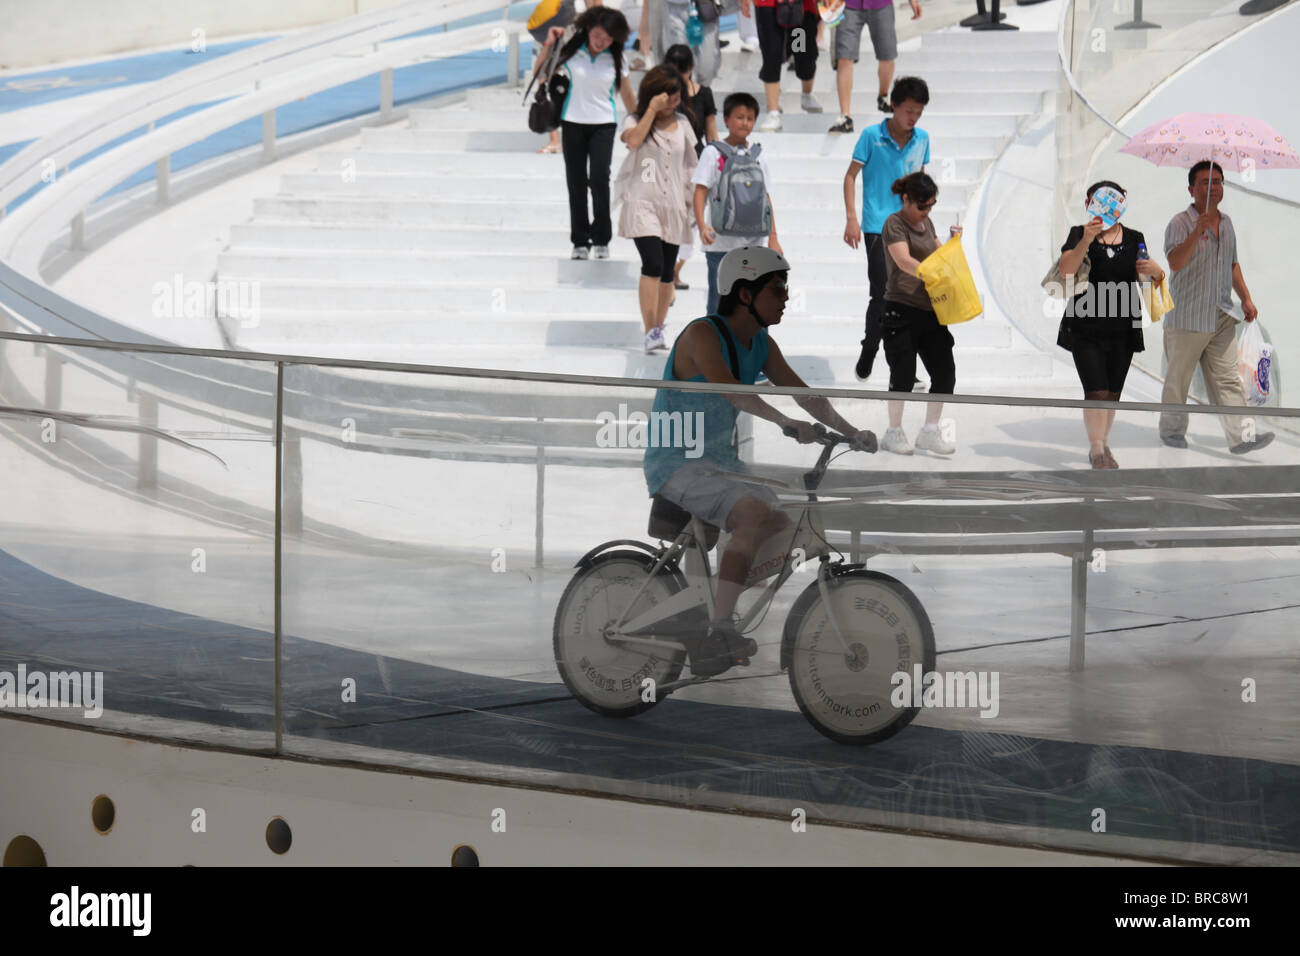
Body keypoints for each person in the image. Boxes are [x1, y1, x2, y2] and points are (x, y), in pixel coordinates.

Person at [643, 246, 877, 676]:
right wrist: (785, 422)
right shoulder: (702, 335)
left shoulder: (762, 343)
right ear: (745, 293)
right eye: (777, 288)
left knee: (779, 519)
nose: (786, 296)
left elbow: (806, 394)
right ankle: (717, 627)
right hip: (677, 463)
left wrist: (851, 433)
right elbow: (731, 390)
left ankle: (715, 599)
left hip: (719, 465)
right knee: (752, 513)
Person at [1160, 160, 1274, 454]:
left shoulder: (1226, 223)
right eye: (1206, 182)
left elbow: (1232, 264)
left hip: (1222, 315)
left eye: (1219, 182)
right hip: (1187, 317)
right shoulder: (1179, 223)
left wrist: (1246, 298)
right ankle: (1172, 433)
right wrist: (1196, 232)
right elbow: (1175, 262)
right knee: (1178, 382)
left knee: (1228, 380)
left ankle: (1242, 438)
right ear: (1191, 189)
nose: (1214, 188)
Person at [1055, 181, 1163, 469]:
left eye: (1110, 201)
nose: (1103, 206)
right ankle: (1096, 448)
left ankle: (1104, 441)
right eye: (1096, 200)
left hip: (1123, 326)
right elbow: (1065, 271)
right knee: (1096, 389)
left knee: (1113, 392)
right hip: (1085, 325)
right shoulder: (1079, 234)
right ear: (1089, 203)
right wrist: (1086, 240)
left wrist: (1157, 272)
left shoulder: (1135, 237)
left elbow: (1147, 276)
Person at [842, 76, 930, 381]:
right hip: (877, 226)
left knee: (910, 297)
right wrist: (851, 218)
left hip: (910, 227)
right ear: (893, 106)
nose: (913, 118)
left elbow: (921, 184)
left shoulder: (923, 139)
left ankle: (903, 366)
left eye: (918, 112)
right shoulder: (870, 135)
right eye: (908, 111)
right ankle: (870, 349)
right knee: (881, 293)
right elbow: (850, 176)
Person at [613, 65, 700, 352]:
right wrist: (650, 110)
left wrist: (695, 207)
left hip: (674, 205)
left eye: (677, 97)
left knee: (665, 271)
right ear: (655, 93)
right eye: (670, 97)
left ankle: (658, 327)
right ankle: (649, 329)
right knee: (651, 263)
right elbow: (634, 141)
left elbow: (691, 166)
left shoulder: (684, 124)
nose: (675, 103)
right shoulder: (635, 119)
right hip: (642, 202)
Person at [542, 7, 636, 260]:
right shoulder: (571, 51)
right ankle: (580, 241)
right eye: (597, 35)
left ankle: (602, 237)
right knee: (576, 182)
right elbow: (542, 73)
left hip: (603, 124)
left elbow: (626, 94)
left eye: (607, 39)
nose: (601, 42)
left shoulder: (617, 58)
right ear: (588, 30)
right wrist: (549, 43)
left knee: (598, 179)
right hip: (572, 122)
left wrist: (638, 122)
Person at [877, 172, 958, 455]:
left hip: (930, 309)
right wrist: (930, 273)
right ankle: (893, 431)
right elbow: (903, 260)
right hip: (902, 307)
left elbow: (939, 256)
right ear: (906, 199)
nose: (926, 211)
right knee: (903, 375)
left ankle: (930, 431)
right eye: (921, 206)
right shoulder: (894, 223)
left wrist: (952, 242)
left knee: (945, 372)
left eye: (931, 205)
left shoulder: (927, 222)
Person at [692, 92, 781, 316]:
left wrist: (773, 237)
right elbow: (700, 190)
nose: (745, 123)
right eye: (740, 117)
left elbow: (766, 197)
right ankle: (715, 348)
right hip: (719, 244)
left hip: (753, 242)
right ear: (727, 120)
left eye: (750, 118)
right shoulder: (712, 153)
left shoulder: (759, 155)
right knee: (719, 302)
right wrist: (702, 225)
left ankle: (755, 349)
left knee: (755, 304)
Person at [662, 43, 718, 292]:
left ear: (691, 67)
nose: (677, 73)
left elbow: (712, 133)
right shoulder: (662, 96)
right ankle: (666, 273)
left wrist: (719, 165)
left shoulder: (704, 94)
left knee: (692, 223)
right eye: (672, 68)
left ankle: (673, 272)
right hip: (667, 164)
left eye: (681, 68)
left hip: (697, 166)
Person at [828, 0, 921, 134]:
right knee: (844, 57)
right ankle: (845, 116)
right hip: (844, 5)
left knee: (887, 56)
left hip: (881, 4)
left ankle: (883, 96)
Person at [528, 0, 603, 154]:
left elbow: (595, 6)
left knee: (549, 75)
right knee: (544, 74)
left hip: (560, 22)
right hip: (552, 20)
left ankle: (566, 136)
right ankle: (556, 137)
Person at [740, 0, 823, 132]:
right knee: (772, 54)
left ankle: (806, 94)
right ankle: (773, 112)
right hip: (768, 5)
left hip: (801, 6)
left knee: (803, 54)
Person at [662, 1, 721, 86]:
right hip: (675, 8)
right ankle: (686, 93)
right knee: (680, 61)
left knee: (708, 65)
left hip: (705, 8)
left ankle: (700, 92)